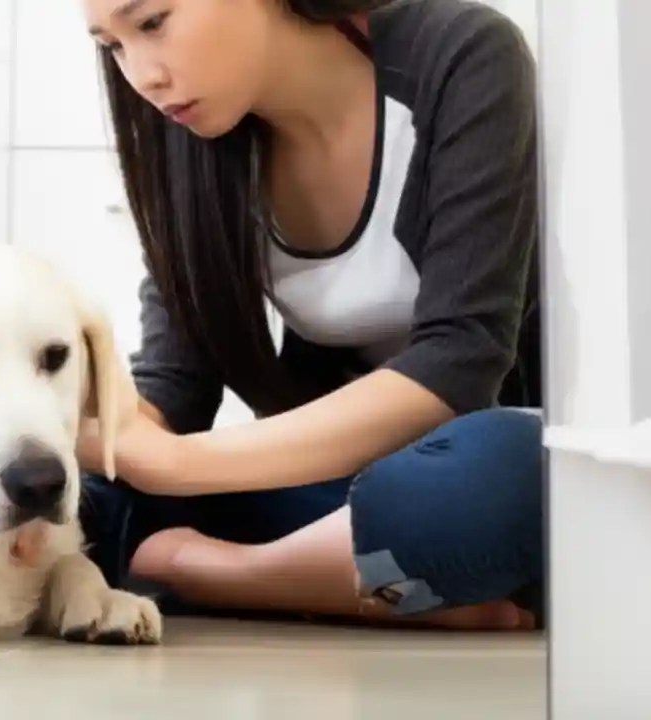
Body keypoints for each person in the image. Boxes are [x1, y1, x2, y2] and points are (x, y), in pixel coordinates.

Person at [74, 0, 545, 631]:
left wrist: (172, 465)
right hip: (326, 488)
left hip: (461, 462)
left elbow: (461, 363)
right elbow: (174, 386)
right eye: (113, 47)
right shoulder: (189, 133)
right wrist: (86, 439)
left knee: (504, 475)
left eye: (153, 23)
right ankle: (371, 584)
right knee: (86, 502)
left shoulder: (463, 54)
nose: (142, 77)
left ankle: (222, 577)